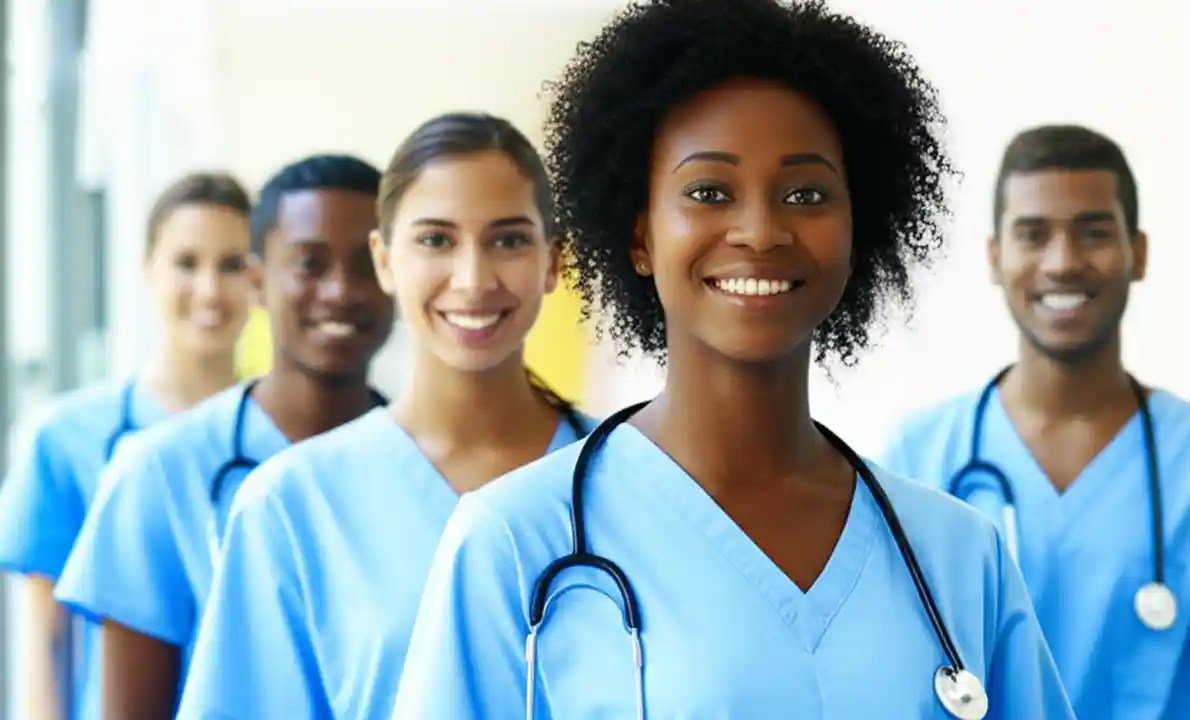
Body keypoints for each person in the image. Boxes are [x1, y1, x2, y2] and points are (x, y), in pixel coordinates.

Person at [390, 1, 1075, 717]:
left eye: (806, 193)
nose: (759, 230)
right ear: (640, 237)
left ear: (857, 231)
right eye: (709, 192)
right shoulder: (513, 542)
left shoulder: (958, 555)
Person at [174, 113, 597, 720]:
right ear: (385, 260)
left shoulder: (626, 483)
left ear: (553, 262)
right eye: (436, 240)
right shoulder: (290, 504)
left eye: (508, 240)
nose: (473, 279)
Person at [879, 125, 1190, 718]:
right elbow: (887, 681)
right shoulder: (918, 457)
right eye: (1033, 235)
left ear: (1138, 253)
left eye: (1094, 233)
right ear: (995, 258)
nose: (1063, 262)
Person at [53, 154, 396, 719]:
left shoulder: (422, 470)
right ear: (259, 280)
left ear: (394, 272)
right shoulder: (159, 471)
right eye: (309, 263)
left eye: (366, 264)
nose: (340, 290)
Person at [0, 172, 255, 720]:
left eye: (232, 264)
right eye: (186, 263)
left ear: (260, 277)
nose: (210, 289)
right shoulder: (65, 437)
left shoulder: (281, 442)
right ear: (147, 270)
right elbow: (45, 646)